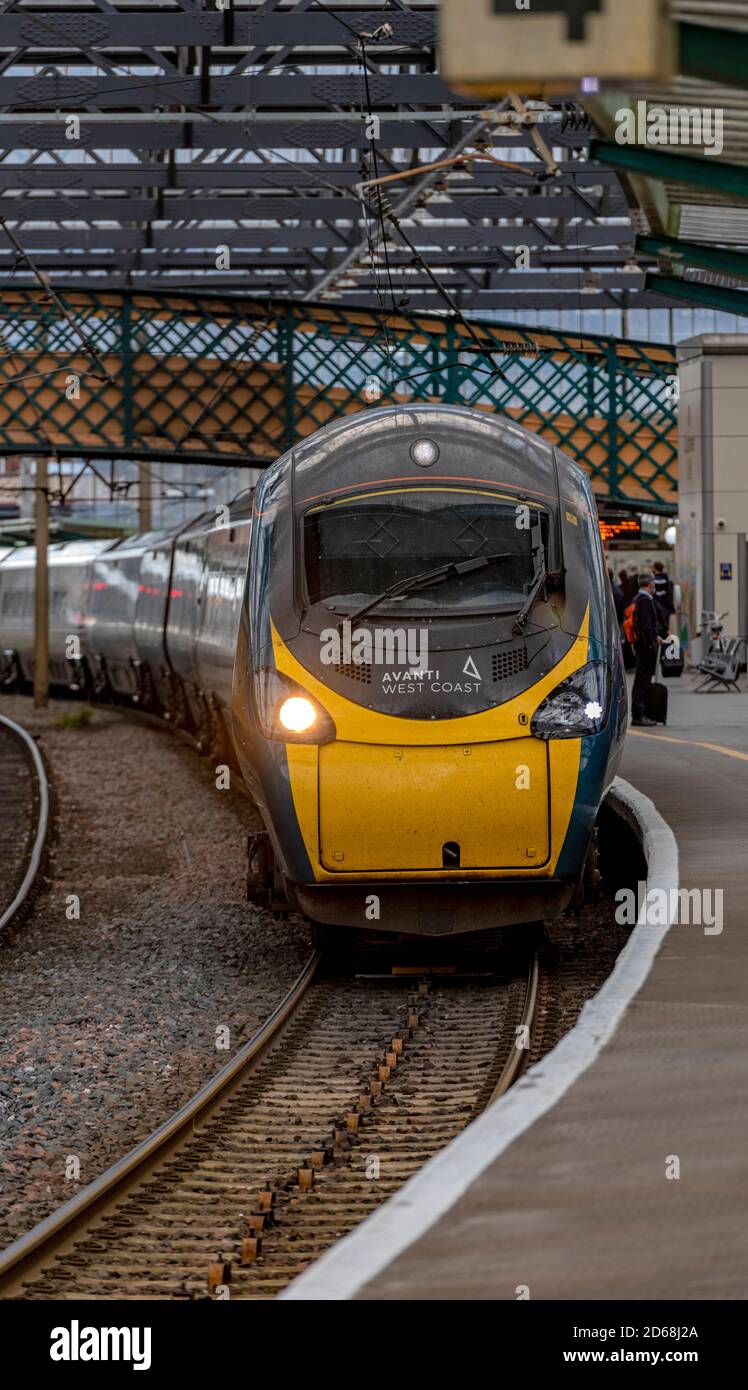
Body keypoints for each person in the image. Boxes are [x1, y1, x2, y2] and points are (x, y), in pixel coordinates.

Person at [631, 573, 662, 726]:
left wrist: (656, 636)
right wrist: (651, 643)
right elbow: (645, 625)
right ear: (650, 583)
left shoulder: (638, 598)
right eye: (653, 582)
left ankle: (639, 713)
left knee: (641, 679)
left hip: (642, 645)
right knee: (642, 680)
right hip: (645, 647)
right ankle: (638, 714)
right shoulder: (644, 600)